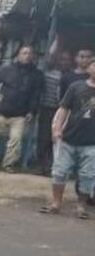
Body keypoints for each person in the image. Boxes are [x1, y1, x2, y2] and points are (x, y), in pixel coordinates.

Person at [41, 59, 95, 219]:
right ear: (90, 68)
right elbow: (63, 109)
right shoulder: (76, 87)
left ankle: (81, 207)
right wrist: (57, 129)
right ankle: (56, 203)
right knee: (59, 172)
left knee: (87, 175)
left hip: (92, 143)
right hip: (68, 138)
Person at [0, 46, 43, 172]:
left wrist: (32, 112)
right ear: (18, 55)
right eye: (24, 53)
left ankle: (8, 165)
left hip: (19, 114)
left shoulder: (36, 75)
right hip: (0, 111)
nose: (27, 55)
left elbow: (36, 96)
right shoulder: (7, 69)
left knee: (15, 141)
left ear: (33, 57)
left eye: (30, 53)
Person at [39, 50, 73, 175]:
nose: (64, 62)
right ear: (57, 61)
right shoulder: (48, 74)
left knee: (60, 140)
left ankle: (56, 167)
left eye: (67, 59)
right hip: (47, 109)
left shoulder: (71, 77)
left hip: (65, 111)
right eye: (62, 59)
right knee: (44, 138)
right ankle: (43, 167)